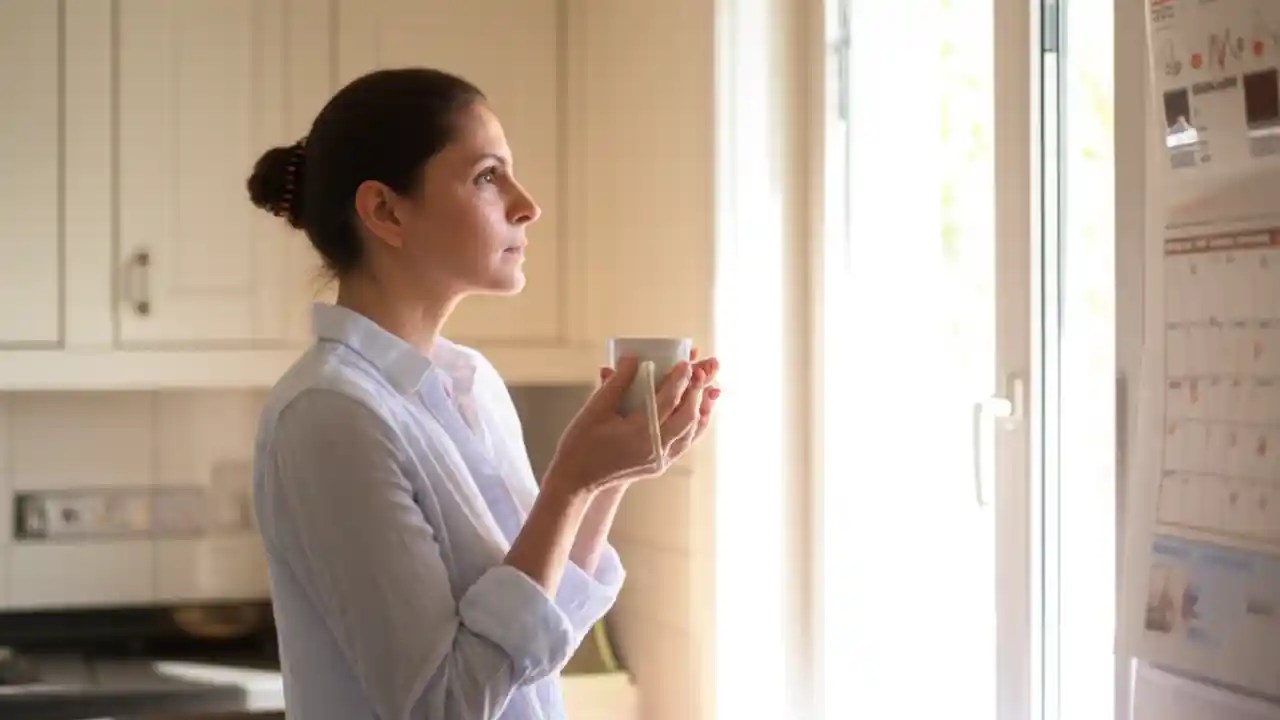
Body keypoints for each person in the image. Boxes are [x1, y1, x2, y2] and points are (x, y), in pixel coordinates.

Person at [244, 67, 719, 720]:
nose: (527, 204)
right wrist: (569, 486)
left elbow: (536, 644)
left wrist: (611, 475)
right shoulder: (331, 416)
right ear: (385, 211)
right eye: (488, 177)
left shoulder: (472, 386)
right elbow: (442, 707)